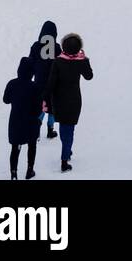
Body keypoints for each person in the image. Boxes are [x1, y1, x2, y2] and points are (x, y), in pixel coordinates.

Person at [46, 32, 93, 172]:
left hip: (59, 100)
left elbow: (51, 84)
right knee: (69, 130)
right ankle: (65, 159)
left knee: (64, 129)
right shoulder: (80, 62)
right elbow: (89, 76)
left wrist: (44, 98)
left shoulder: (58, 61)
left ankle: (67, 150)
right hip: (74, 101)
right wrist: (85, 60)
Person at [3, 57, 42, 180]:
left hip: (15, 121)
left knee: (15, 148)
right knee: (32, 146)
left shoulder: (12, 83)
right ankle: (29, 170)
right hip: (31, 122)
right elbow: (38, 109)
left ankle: (14, 173)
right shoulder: (35, 87)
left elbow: (5, 100)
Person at [28, 20, 59, 141]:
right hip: (53, 82)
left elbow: (30, 62)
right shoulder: (56, 47)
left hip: (39, 82)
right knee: (51, 106)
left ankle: (36, 131)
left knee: (41, 105)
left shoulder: (36, 46)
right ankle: (50, 130)